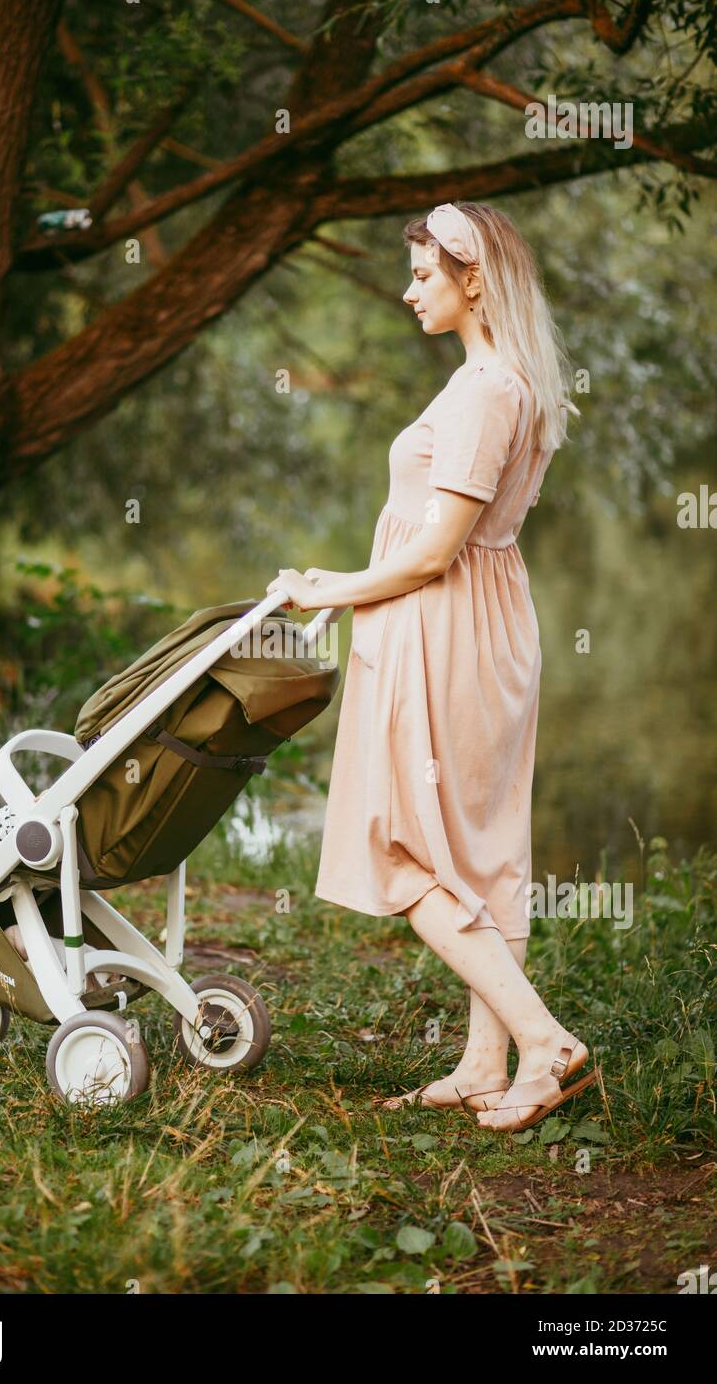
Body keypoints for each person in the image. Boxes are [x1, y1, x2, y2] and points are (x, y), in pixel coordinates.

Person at [266, 201, 599, 1133]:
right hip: (480, 625)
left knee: (405, 845)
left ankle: (546, 1044)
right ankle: (483, 1064)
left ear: (474, 280)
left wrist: (324, 590)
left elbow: (431, 554)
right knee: (482, 850)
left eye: (423, 275)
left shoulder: (488, 390)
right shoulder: (502, 382)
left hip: (443, 628)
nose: (410, 290)